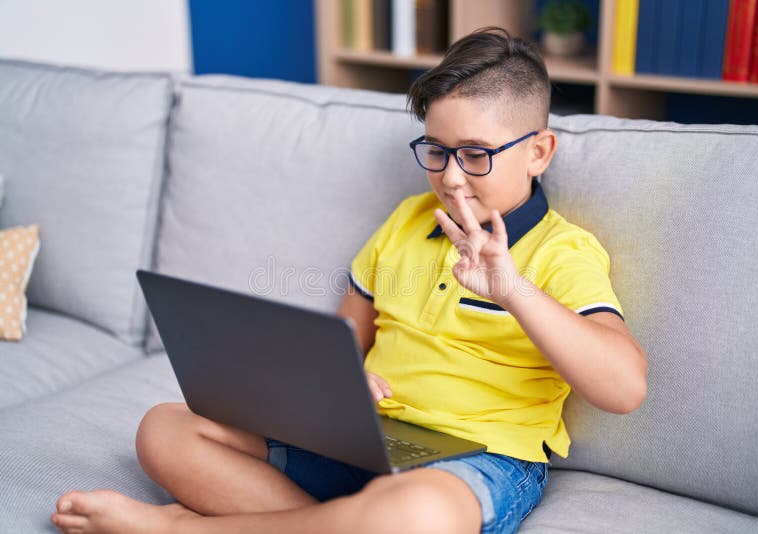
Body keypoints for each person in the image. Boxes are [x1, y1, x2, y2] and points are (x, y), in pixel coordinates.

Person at [51, 27, 647, 534]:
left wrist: (513, 290)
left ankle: (180, 527)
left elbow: (624, 388)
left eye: (475, 154)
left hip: (477, 462)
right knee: (165, 429)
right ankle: (345, 523)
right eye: (436, 150)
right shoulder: (408, 220)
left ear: (539, 152)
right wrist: (343, 385)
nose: (450, 177)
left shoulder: (563, 251)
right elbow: (342, 345)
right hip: (366, 440)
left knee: (413, 513)